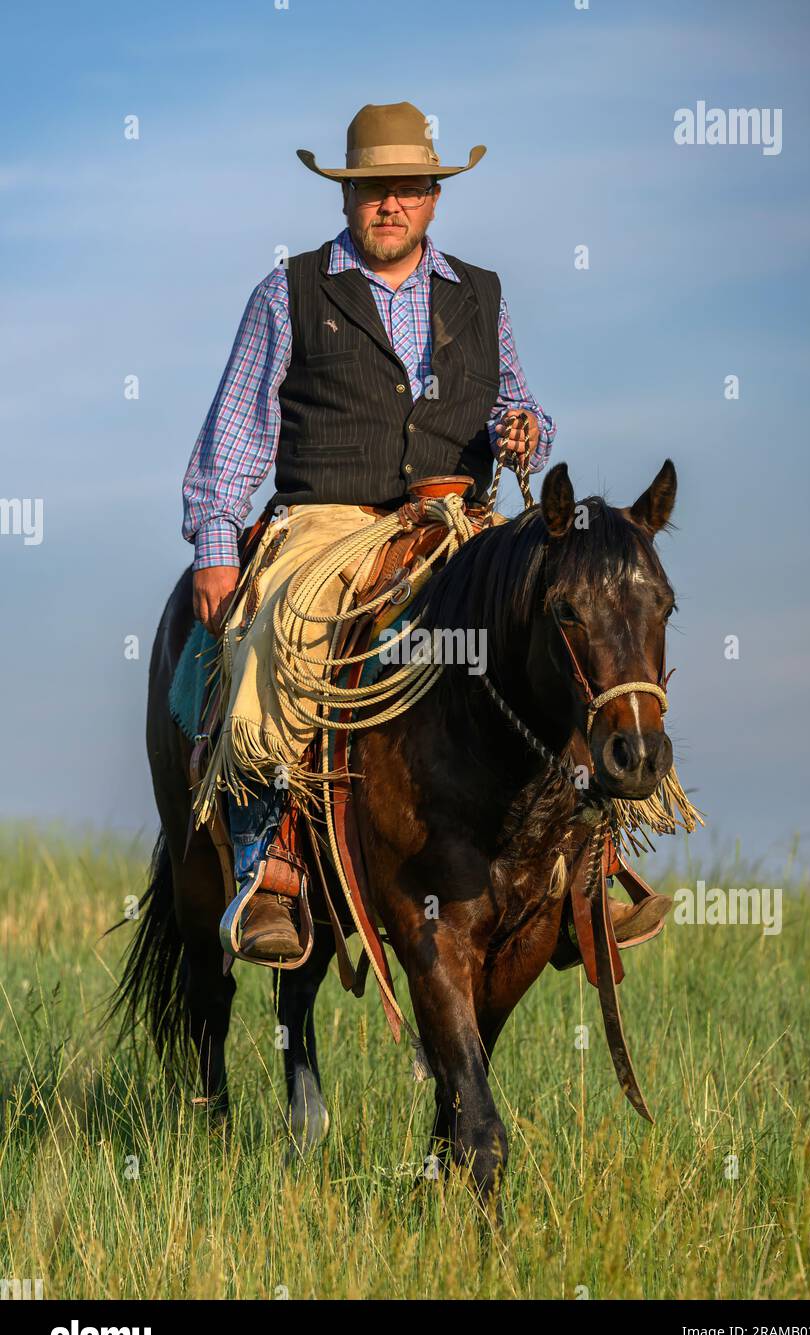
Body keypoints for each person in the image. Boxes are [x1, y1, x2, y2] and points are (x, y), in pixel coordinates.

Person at [181, 101, 555, 964]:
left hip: (456, 516)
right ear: (347, 199)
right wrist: (216, 544)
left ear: (434, 197)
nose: (392, 205)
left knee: (559, 619)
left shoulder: (480, 294)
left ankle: (591, 861)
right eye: (373, 190)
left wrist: (523, 429)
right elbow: (235, 430)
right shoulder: (290, 290)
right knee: (289, 636)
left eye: (410, 189)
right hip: (329, 519)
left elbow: (518, 403)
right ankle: (269, 862)